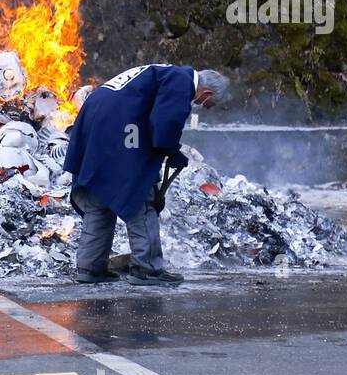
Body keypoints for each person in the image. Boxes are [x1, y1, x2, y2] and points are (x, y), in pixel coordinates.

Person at [63, 64, 228, 287]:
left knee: (99, 200)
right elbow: (165, 122)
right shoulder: (182, 81)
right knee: (141, 200)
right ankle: (147, 269)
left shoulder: (163, 73)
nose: (199, 105)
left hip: (95, 121)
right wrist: (171, 151)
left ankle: (90, 268)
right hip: (119, 127)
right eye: (204, 103)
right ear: (205, 92)